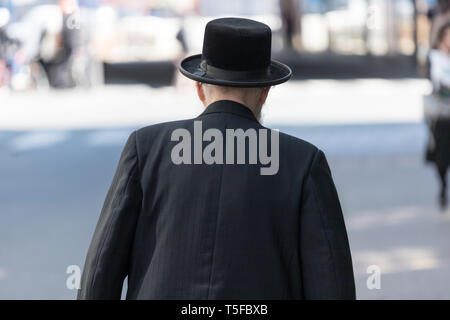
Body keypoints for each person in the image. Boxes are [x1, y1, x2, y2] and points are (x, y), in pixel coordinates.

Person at [77, 17, 355, 300]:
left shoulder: (146, 148)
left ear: (199, 89)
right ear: (264, 92)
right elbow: (330, 279)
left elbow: (102, 267)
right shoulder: (303, 162)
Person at [426, 22, 450, 210]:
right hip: (442, 115)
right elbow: (436, 81)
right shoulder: (434, 57)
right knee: (441, 157)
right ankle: (443, 186)